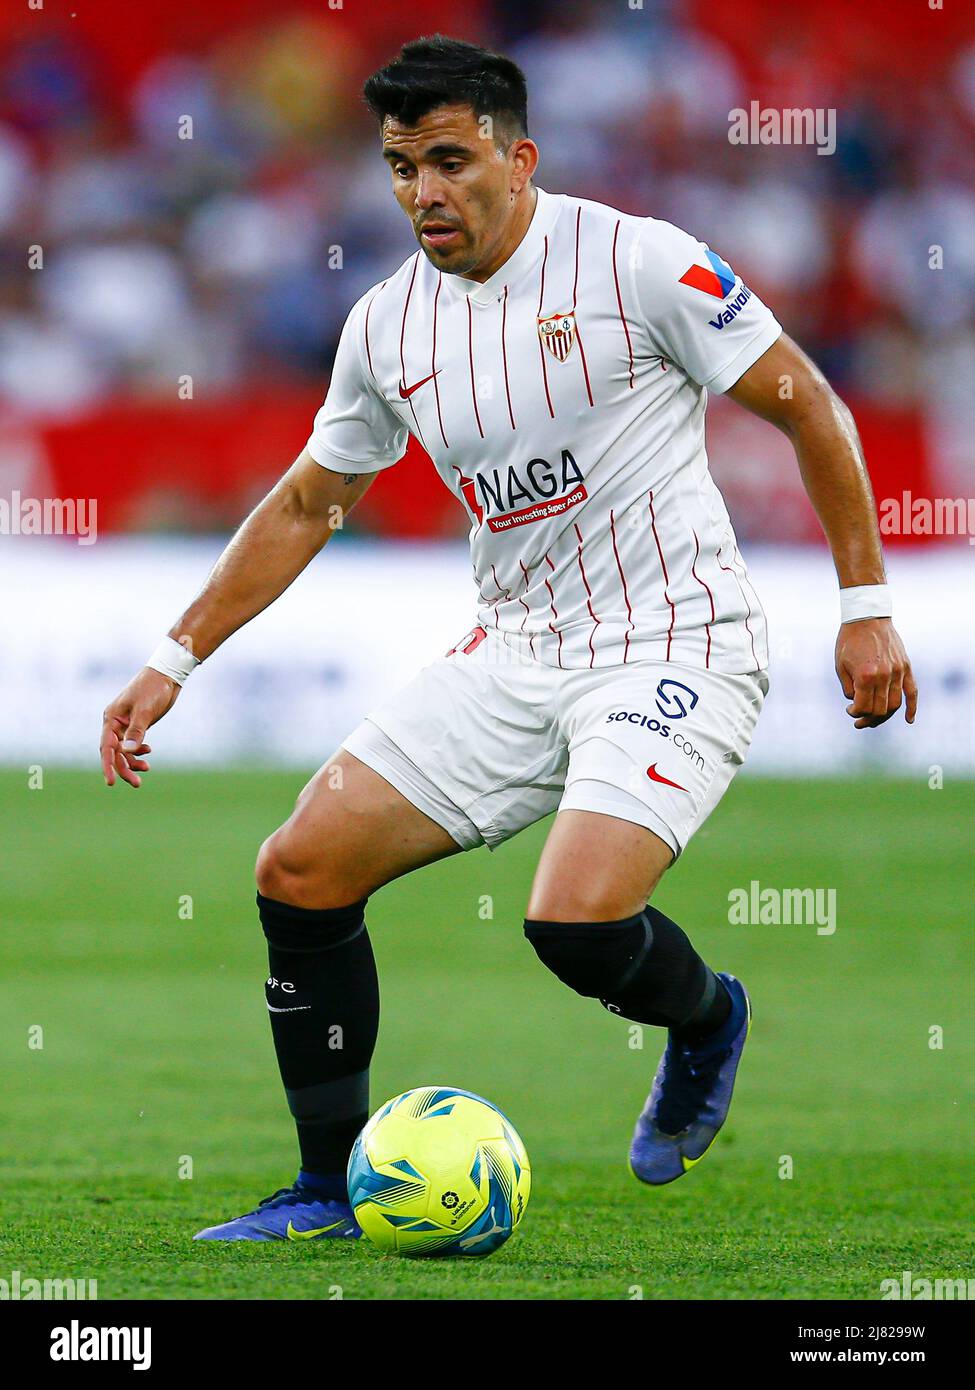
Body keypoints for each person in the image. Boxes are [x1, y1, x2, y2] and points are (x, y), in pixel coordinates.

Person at [100, 36, 917, 1242]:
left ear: (517, 156)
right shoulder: (386, 326)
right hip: (515, 648)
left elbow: (809, 402)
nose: (424, 191)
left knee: (574, 922)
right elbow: (310, 503)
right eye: (398, 167)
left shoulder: (639, 262)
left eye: (449, 159)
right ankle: (327, 1187)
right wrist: (172, 659)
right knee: (298, 869)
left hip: (674, 642)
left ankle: (706, 1017)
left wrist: (865, 604)